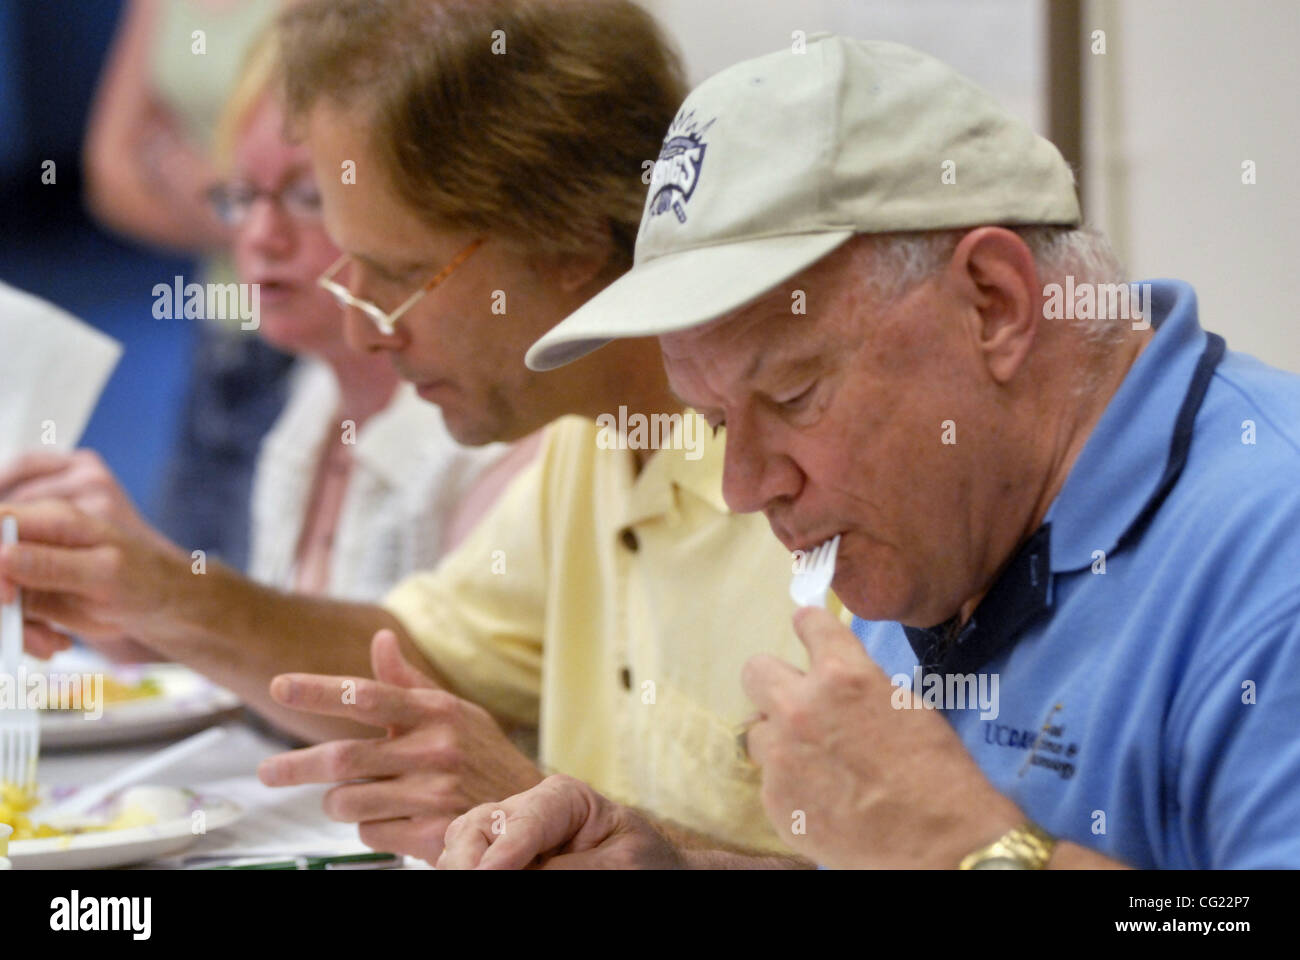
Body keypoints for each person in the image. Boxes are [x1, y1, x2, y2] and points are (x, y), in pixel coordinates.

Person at [438, 36, 1300, 870]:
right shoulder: (952, 519)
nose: (744, 488)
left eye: (794, 396)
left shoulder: (1272, 557)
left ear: (994, 304)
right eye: (716, 423)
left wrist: (967, 849)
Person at [0, 0, 815, 863]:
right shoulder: (592, 436)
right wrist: (162, 593)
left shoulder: (807, 490)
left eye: (401, 274)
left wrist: (541, 806)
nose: (364, 330)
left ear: (568, 240)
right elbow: (417, 662)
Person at [0, 26, 531, 651]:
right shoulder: (309, 400)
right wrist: (92, 583)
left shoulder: (485, 432)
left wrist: (158, 585)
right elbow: (266, 672)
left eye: (309, 197)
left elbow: (421, 691)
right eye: (240, 197)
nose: (259, 237)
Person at [84, 0, 291, 571]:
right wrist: (253, 215)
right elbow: (110, 177)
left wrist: (173, 164)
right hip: (223, 327)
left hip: (324, 335)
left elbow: (349, 190)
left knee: (287, 581)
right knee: (191, 572)